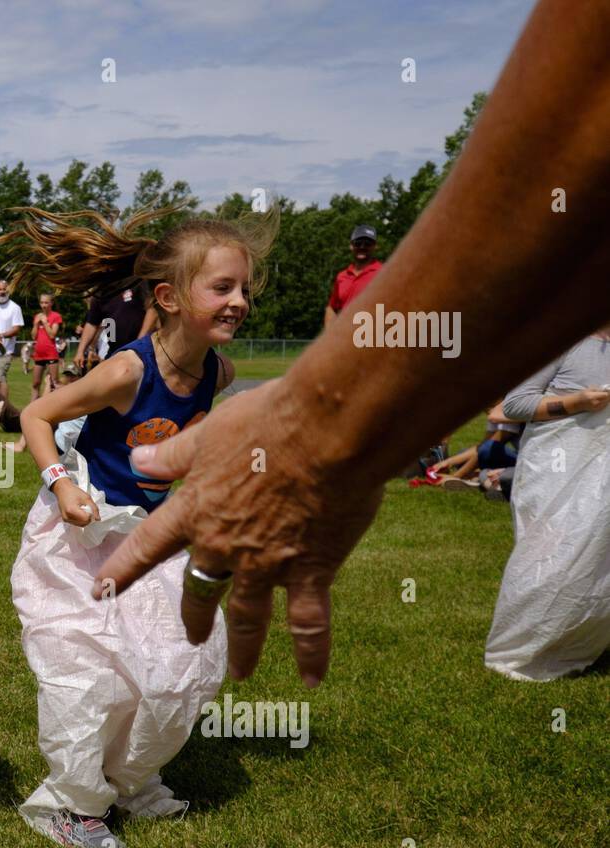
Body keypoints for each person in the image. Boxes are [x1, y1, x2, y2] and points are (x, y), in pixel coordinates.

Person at [91, 0, 610, 688]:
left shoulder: (368, 277)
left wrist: (322, 422)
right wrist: (330, 401)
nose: (240, 304)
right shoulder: (343, 278)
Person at [1, 203, 273, 848]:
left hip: (146, 532)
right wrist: (61, 486)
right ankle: (67, 802)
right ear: (169, 298)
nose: (238, 301)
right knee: (88, 666)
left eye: (243, 289)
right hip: (82, 529)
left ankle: (128, 776)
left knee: (178, 661)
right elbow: (36, 415)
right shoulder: (127, 369)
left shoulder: (216, 371)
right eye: (222, 288)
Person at [485, 330, 610, 680]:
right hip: (554, 470)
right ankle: (521, 648)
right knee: (547, 558)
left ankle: (578, 641)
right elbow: (512, 406)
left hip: (599, 476)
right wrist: (578, 402)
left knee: (592, 558)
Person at [72, 280, 158, 371]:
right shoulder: (100, 291)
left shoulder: (136, 280)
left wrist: (140, 342)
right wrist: (80, 351)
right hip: (115, 351)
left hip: (145, 349)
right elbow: (92, 323)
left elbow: (152, 309)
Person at [323, 224, 383, 326]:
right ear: (351, 246)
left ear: (375, 246)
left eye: (367, 244)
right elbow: (332, 307)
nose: (362, 247)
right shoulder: (341, 277)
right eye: (358, 243)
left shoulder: (385, 272)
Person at [29, 293, 62, 400]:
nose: (44, 305)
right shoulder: (37, 316)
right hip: (39, 354)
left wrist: (45, 322)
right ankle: (32, 408)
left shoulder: (56, 316)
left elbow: (52, 334)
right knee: (35, 383)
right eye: (42, 302)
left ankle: (56, 407)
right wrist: (35, 324)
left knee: (54, 382)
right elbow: (34, 336)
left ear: (51, 303)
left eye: (46, 302)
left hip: (51, 353)